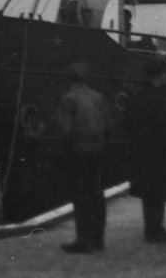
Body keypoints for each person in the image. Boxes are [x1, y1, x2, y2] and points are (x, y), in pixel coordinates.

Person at [56, 62, 109, 253]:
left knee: (80, 196)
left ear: (68, 80)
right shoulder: (99, 98)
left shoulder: (68, 99)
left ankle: (83, 241)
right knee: (97, 194)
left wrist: (61, 154)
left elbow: (66, 130)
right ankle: (98, 238)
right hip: (98, 150)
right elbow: (108, 126)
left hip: (78, 152)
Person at [125, 59, 166, 243]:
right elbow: (164, 127)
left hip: (142, 150)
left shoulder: (139, 94)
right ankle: (155, 230)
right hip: (158, 151)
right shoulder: (157, 97)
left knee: (149, 192)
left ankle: (152, 228)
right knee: (157, 191)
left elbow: (128, 123)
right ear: (161, 74)